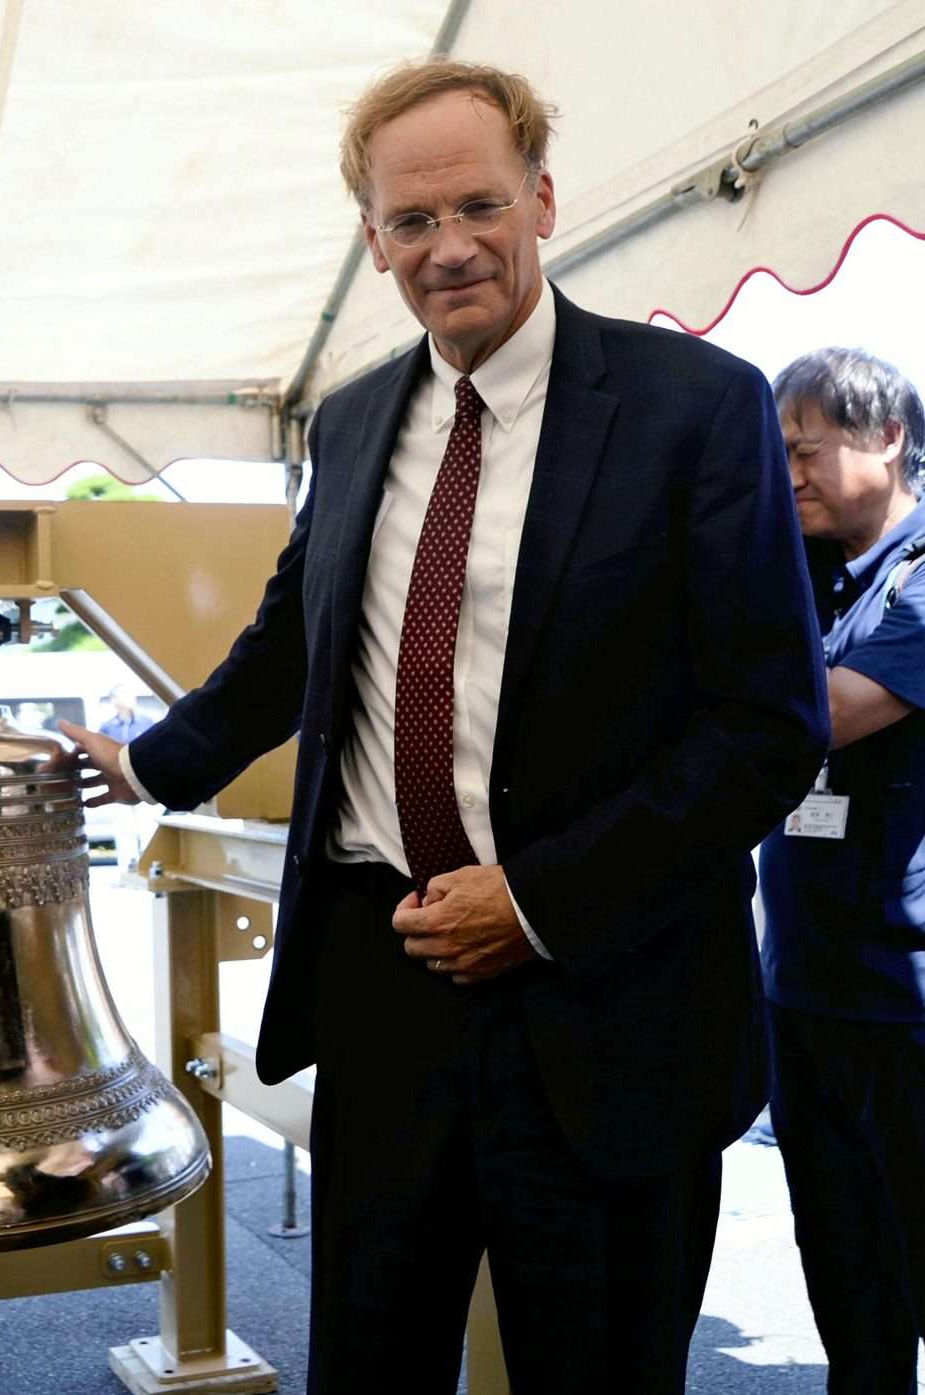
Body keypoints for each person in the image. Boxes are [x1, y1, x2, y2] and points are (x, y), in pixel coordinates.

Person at [60, 59, 827, 1392]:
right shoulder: (357, 421)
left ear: (539, 199)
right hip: (385, 987)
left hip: (603, 992)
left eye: (478, 206)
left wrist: (533, 900)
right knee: (369, 1361)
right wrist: (148, 760)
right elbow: (296, 642)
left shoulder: (696, 408)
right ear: (372, 240)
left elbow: (765, 727)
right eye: (411, 222)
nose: (450, 246)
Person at [758, 347, 925, 1389]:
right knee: (847, 1288)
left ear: (890, 438)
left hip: (905, 1006)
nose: (788, 476)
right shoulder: (806, 582)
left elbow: (813, 720)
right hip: (805, 996)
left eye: (805, 452)